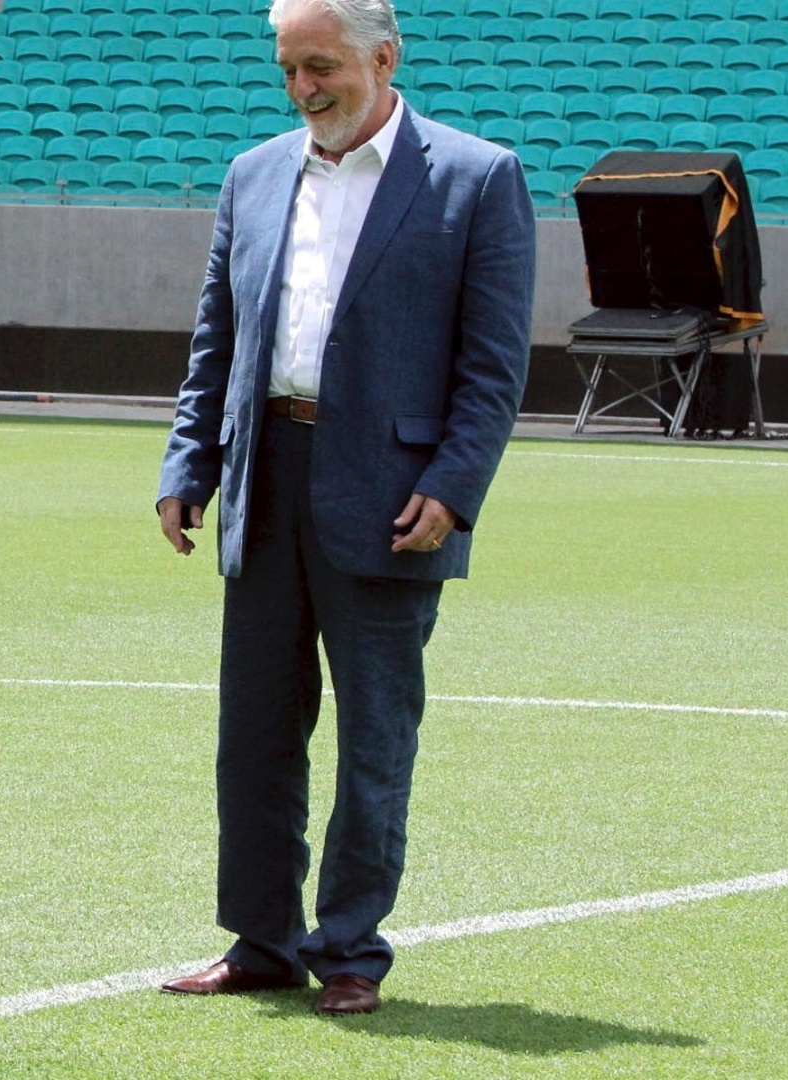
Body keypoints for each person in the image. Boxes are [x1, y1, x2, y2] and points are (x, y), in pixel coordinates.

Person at [155, 0, 534, 1015]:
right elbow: (216, 340)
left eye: (319, 65)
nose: (302, 88)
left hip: (393, 496)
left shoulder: (475, 178)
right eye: (288, 69)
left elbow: (494, 369)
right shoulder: (253, 174)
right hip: (264, 480)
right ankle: (262, 940)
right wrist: (188, 463)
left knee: (376, 738)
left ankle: (352, 947)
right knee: (255, 736)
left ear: (384, 55)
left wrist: (453, 489)